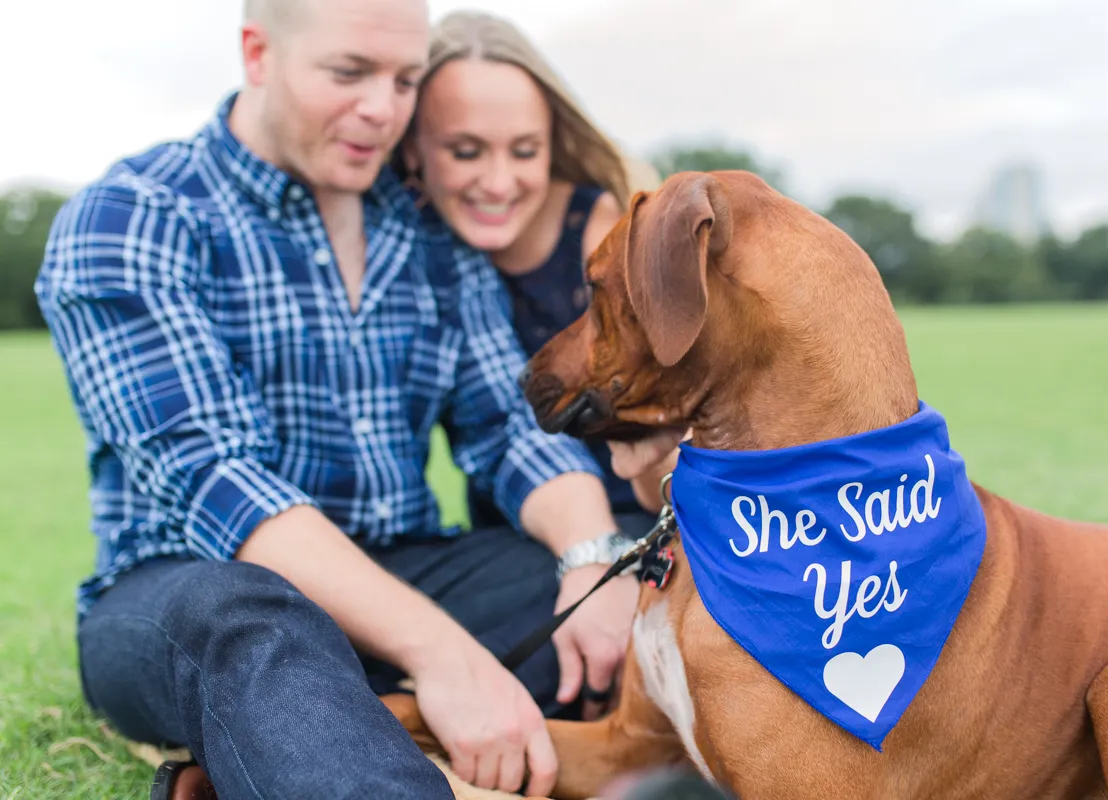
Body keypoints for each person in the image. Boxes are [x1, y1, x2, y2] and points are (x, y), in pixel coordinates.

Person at [34, 0, 648, 796]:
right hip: (193, 586)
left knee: (638, 556)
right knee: (246, 618)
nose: (382, 110)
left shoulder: (427, 227)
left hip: (407, 569)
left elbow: (508, 430)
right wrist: (444, 654)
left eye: (403, 81)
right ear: (258, 54)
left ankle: (293, 750)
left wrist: (591, 560)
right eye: (349, 73)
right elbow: (219, 482)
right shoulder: (134, 217)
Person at [393, 11, 675, 531]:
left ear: (552, 144)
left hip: (642, 517)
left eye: (524, 151)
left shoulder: (605, 240)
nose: (498, 183)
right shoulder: (410, 248)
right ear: (413, 148)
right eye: (466, 151)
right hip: (513, 536)